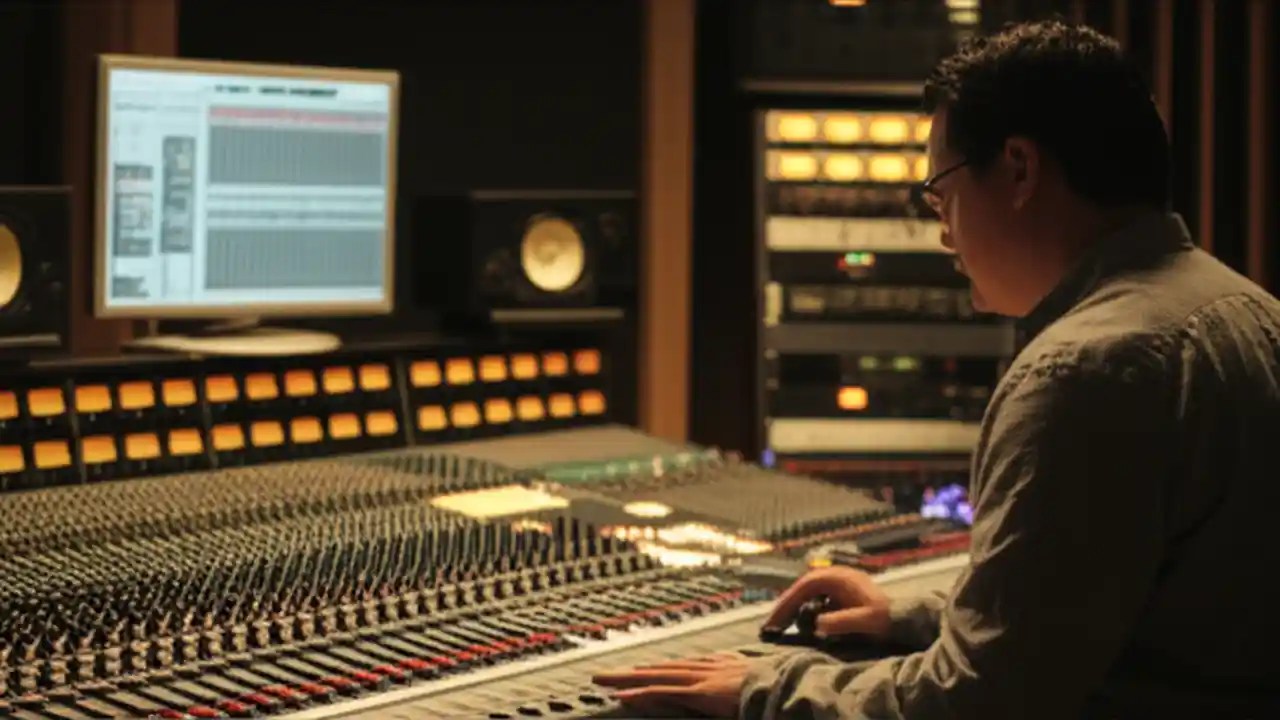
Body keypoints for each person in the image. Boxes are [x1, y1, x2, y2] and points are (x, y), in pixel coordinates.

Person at [594, 19, 1280, 719]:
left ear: (1019, 168)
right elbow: (1118, 599)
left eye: (941, 189)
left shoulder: (1085, 370)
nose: (941, 224)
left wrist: (768, 687)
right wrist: (915, 617)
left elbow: (979, 702)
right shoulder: (1248, 311)